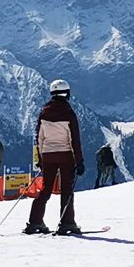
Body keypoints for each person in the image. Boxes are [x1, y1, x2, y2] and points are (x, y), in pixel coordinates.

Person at [28, 79, 85, 234]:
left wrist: (39, 158)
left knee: (46, 188)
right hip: (66, 155)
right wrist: (79, 161)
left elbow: (39, 138)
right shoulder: (69, 113)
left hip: (47, 155)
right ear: (66, 93)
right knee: (67, 189)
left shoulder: (43, 113)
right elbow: (75, 139)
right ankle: (67, 223)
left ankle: (34, 222)